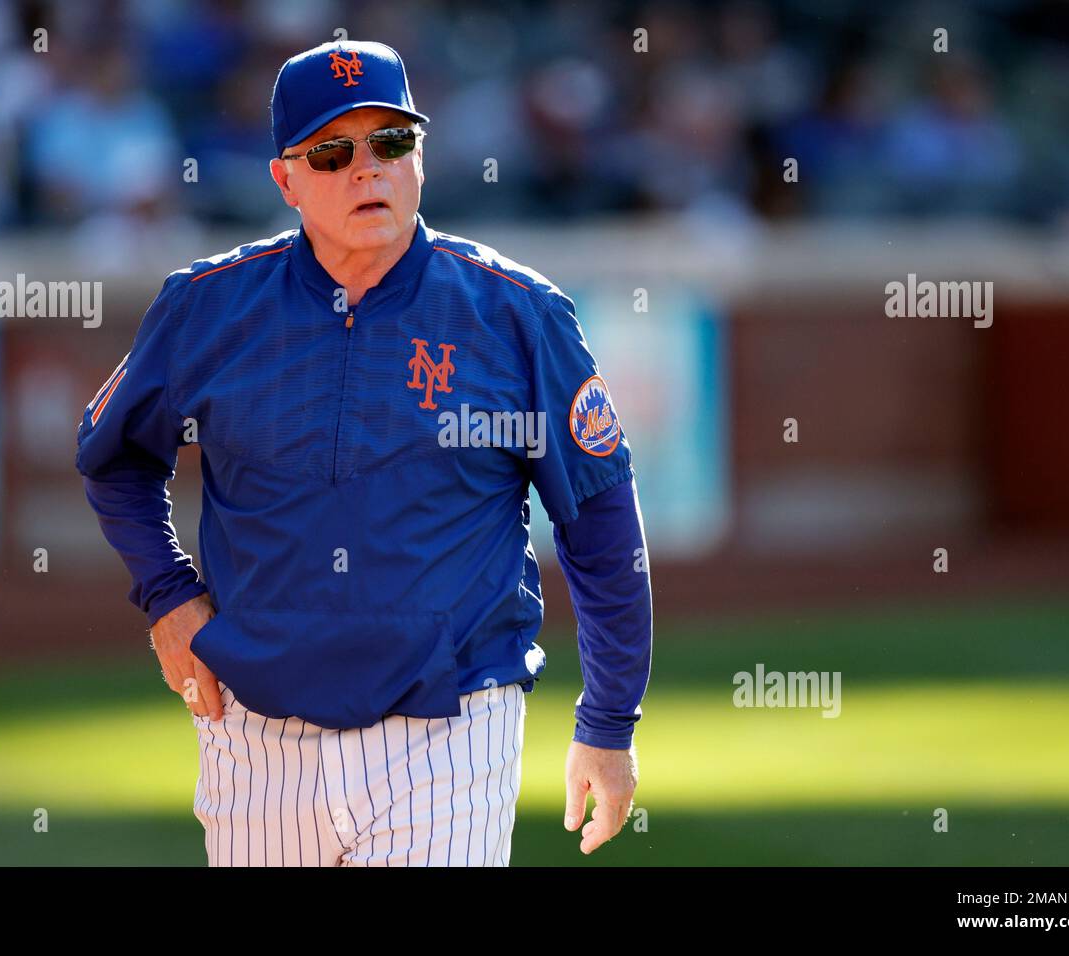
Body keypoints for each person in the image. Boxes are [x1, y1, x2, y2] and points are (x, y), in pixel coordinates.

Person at [75, 40, 652, 866]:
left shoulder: (516, 314)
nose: (366, 170)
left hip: (453, 724)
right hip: (256, 735)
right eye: (332, 152)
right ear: (285, 180)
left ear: (420, 157)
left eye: (389, 143)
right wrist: (168, 597)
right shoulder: (207, 307)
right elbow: (115, 458)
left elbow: (600, 521)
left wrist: (608, 725)